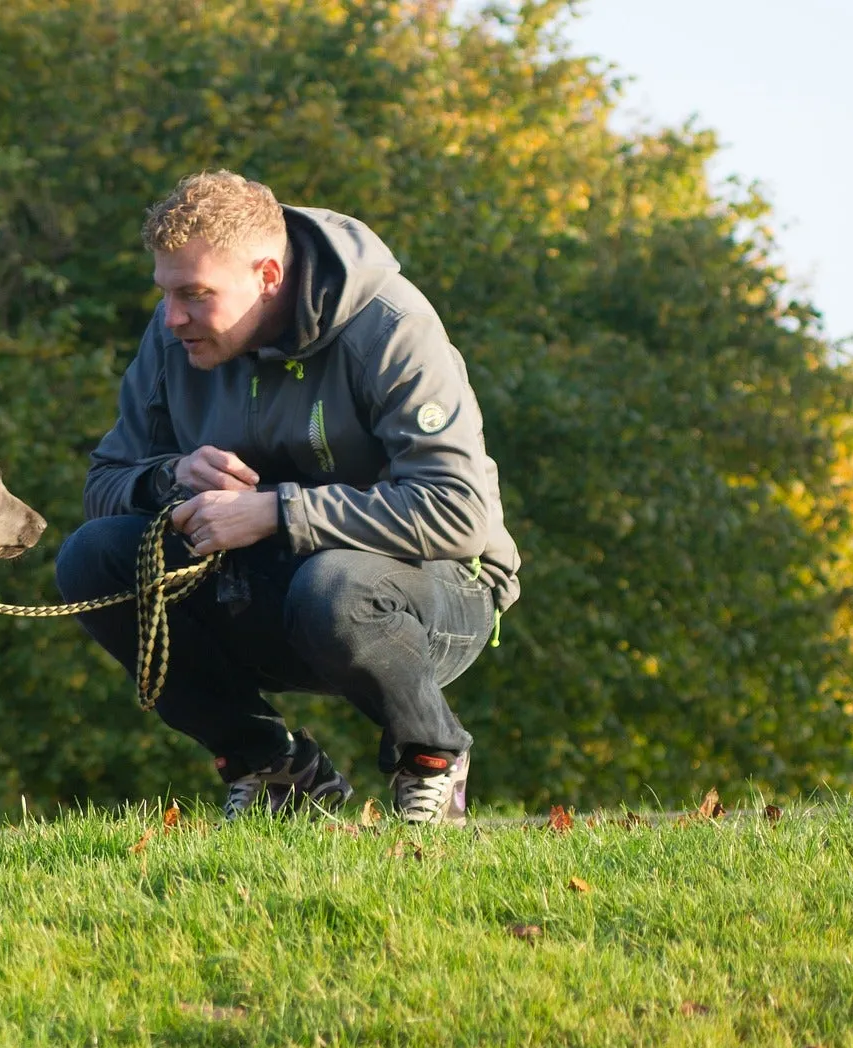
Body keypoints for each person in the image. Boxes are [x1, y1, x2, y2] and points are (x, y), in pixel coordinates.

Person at [55, 170, 520, 824]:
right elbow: (104, 484)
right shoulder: (172, 337)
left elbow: (458, 513)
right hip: (268, 593)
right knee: (91, 557)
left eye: (194, 295)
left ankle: (432, 759)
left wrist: (276, 511)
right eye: (164, 293)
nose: (172, 317)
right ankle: (274, 764)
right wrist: (175, 475)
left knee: (333, 587)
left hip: (430, 594)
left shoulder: (389, 326)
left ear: (268, 276)